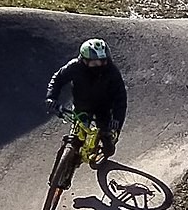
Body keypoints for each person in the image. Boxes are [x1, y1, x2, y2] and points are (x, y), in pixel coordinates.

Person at [44, 38, 128, 179]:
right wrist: (51, 98)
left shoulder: (112, 72)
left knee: (109, 147)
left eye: (103, 61)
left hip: (104, 109)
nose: (100, 65)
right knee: (74, 139)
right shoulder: (74, 67)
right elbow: (57, 79)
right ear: (84, 60)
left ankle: (104, 148)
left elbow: (121, 99)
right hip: (82, 106)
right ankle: (58, 174)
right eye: (94, 62)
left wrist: (117, 121)